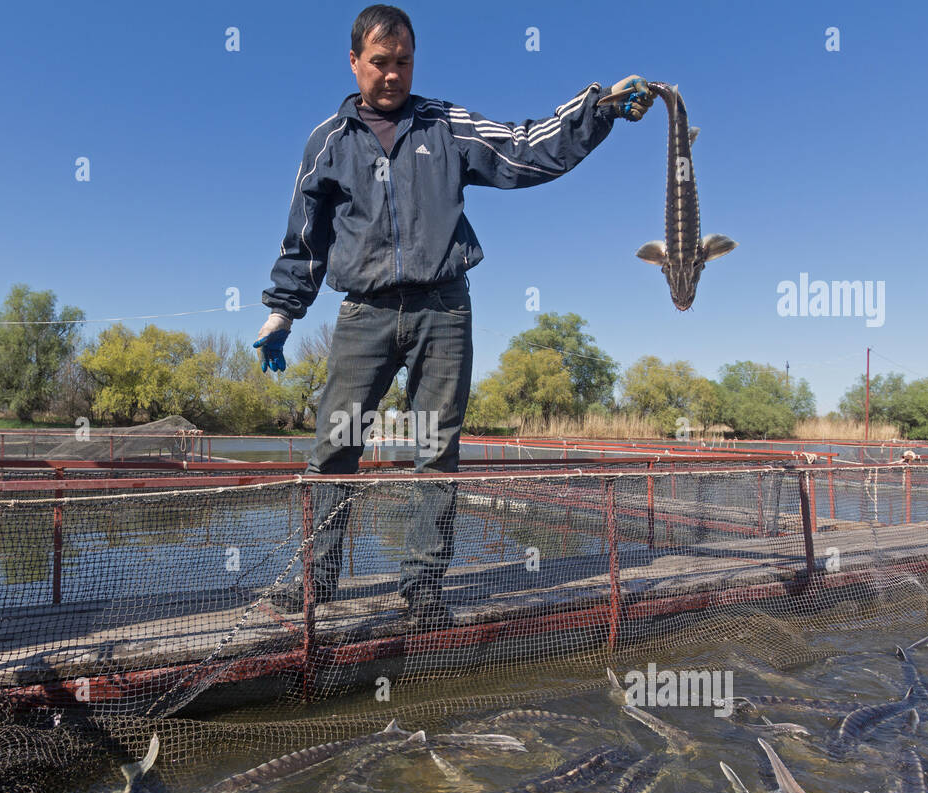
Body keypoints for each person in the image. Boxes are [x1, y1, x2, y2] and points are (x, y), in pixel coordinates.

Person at [255, 4, 653, 628]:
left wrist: (596, 111)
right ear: (354, 62)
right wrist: (282, 313)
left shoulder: (445, 126)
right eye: (380, 63)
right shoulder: (328, 142)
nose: (392, 75)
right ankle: (311, 584)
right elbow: (305, 237)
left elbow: (525, 150)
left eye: (404, 62)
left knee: (434, 451)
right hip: (364, 314)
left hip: (444, 309)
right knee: (335, 448)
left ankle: (422, 592)